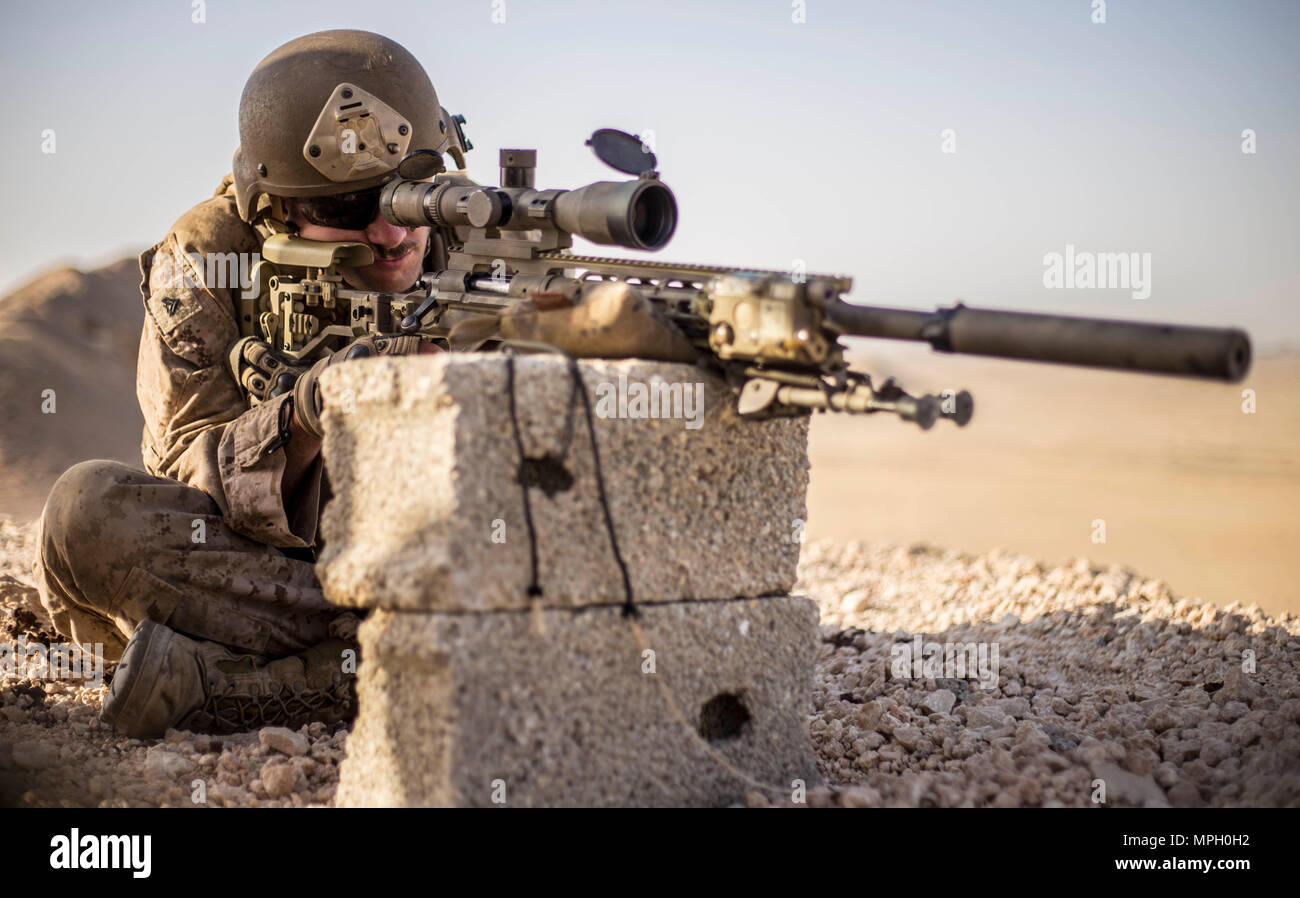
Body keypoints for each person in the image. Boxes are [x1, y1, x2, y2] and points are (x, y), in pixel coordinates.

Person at [32, 29, 470, 739]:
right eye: (344, 209)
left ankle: (225, 680)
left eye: (407, 197)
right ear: (278, 206)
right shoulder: (208, 257)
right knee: (84, 516)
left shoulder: (474, 244)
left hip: (423, 550)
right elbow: (189, 466)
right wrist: (310, 413)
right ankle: (395, 654)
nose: (391, 236)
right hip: (255, 567)